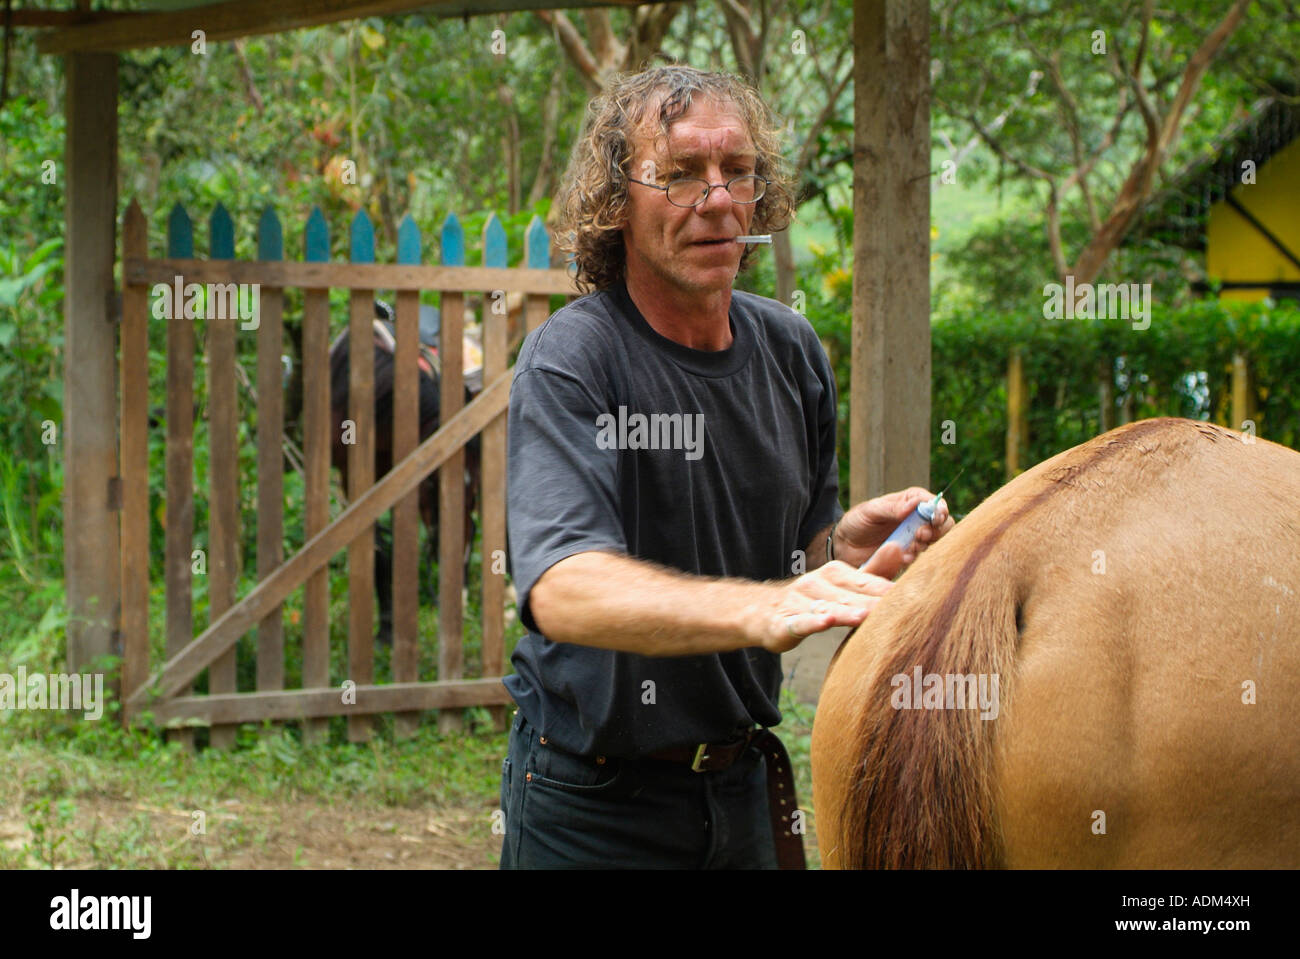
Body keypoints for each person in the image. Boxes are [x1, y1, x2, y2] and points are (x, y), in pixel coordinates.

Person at [498, 64, 952, 869]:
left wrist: (842, 549)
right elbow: (562, 586)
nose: (716, 198)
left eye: (735, 171)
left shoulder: (790, 350)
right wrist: (763, 607)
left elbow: (792, 564)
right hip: (593, 809)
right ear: (616, 204)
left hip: (742, 792)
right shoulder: (575, 358)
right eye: (678, 176)